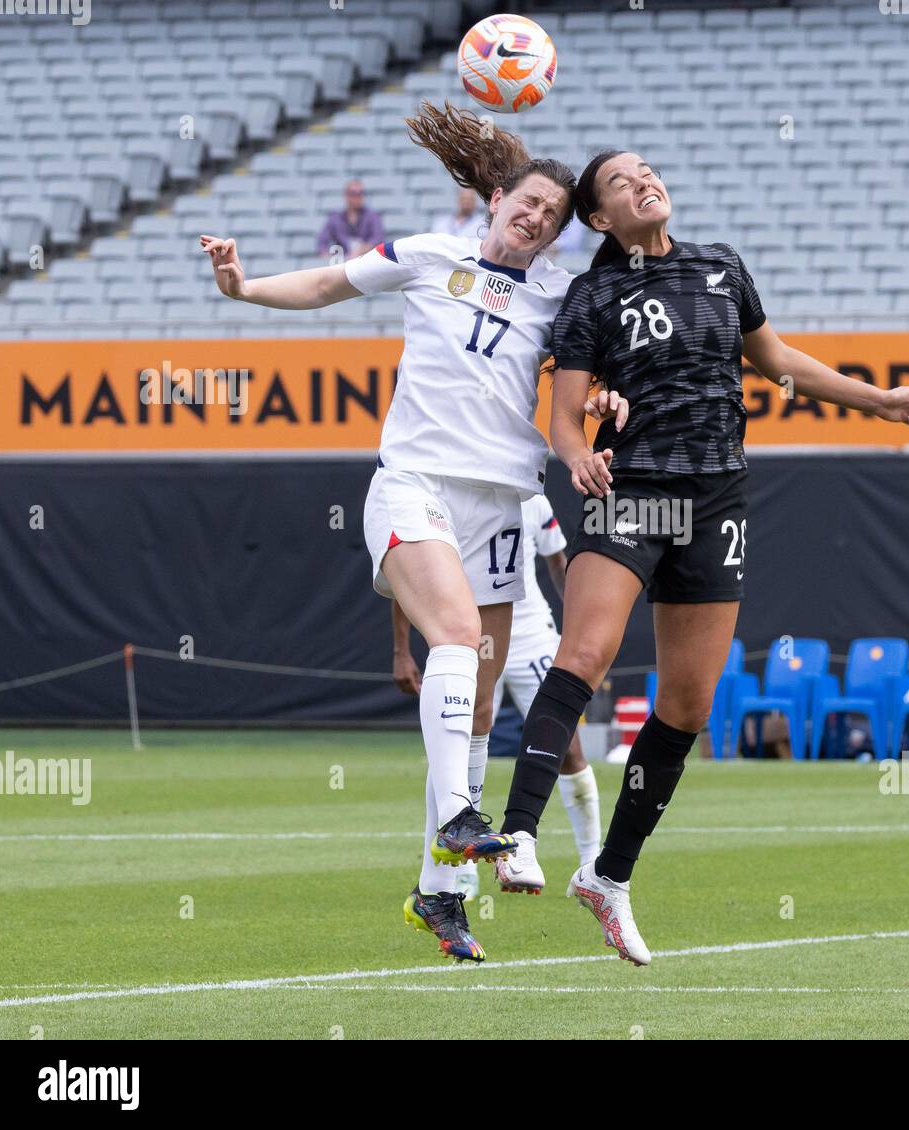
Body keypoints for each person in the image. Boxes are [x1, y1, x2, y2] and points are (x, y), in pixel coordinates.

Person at [492, 150, 909, 965]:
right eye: (622, 182)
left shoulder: (723, 267)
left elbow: (777, 364)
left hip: (716, 501)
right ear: (599, 218)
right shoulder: (594, 295)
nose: (643, 181)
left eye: (647, 170)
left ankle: (609, 878)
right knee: (583, 654)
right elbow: (560, 417)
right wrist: (576, 456)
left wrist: (878, 398)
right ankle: (517, 833)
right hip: (633, 491)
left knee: (689, 707)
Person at [201, 101, 622, 964]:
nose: (535, 216)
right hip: (416, 484)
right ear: (495, 198)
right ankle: (461, 821)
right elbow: (324, 285)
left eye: (550, 213)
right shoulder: (429, 255)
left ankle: (441, 894)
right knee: (458, 644)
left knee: (470, 719)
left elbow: (585, 384)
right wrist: (244, 287)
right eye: (526, 202)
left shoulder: (556, 298)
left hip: (501, 503)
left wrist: (606, 399)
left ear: (554, 232)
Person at [392, 493, 602, 901]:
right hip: (469, 635)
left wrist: (583, 628)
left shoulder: (534, 498)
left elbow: (558, 563)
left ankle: (591, 862)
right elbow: (406, 579)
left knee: (569, 748)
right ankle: (464, 871)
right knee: (468, 734)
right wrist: (402, 651)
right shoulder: (440, 496)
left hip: (530, 635)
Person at [316, 179, 385, 259]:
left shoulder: (373, 217)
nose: (357, 197)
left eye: (360, 193)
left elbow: (377, 239)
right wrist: (330, 257)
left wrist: (362, 249)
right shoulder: (335, 219)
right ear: (346, 195)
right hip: (342, 264)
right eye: (353, 194)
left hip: (367, 262)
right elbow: (322, 242)